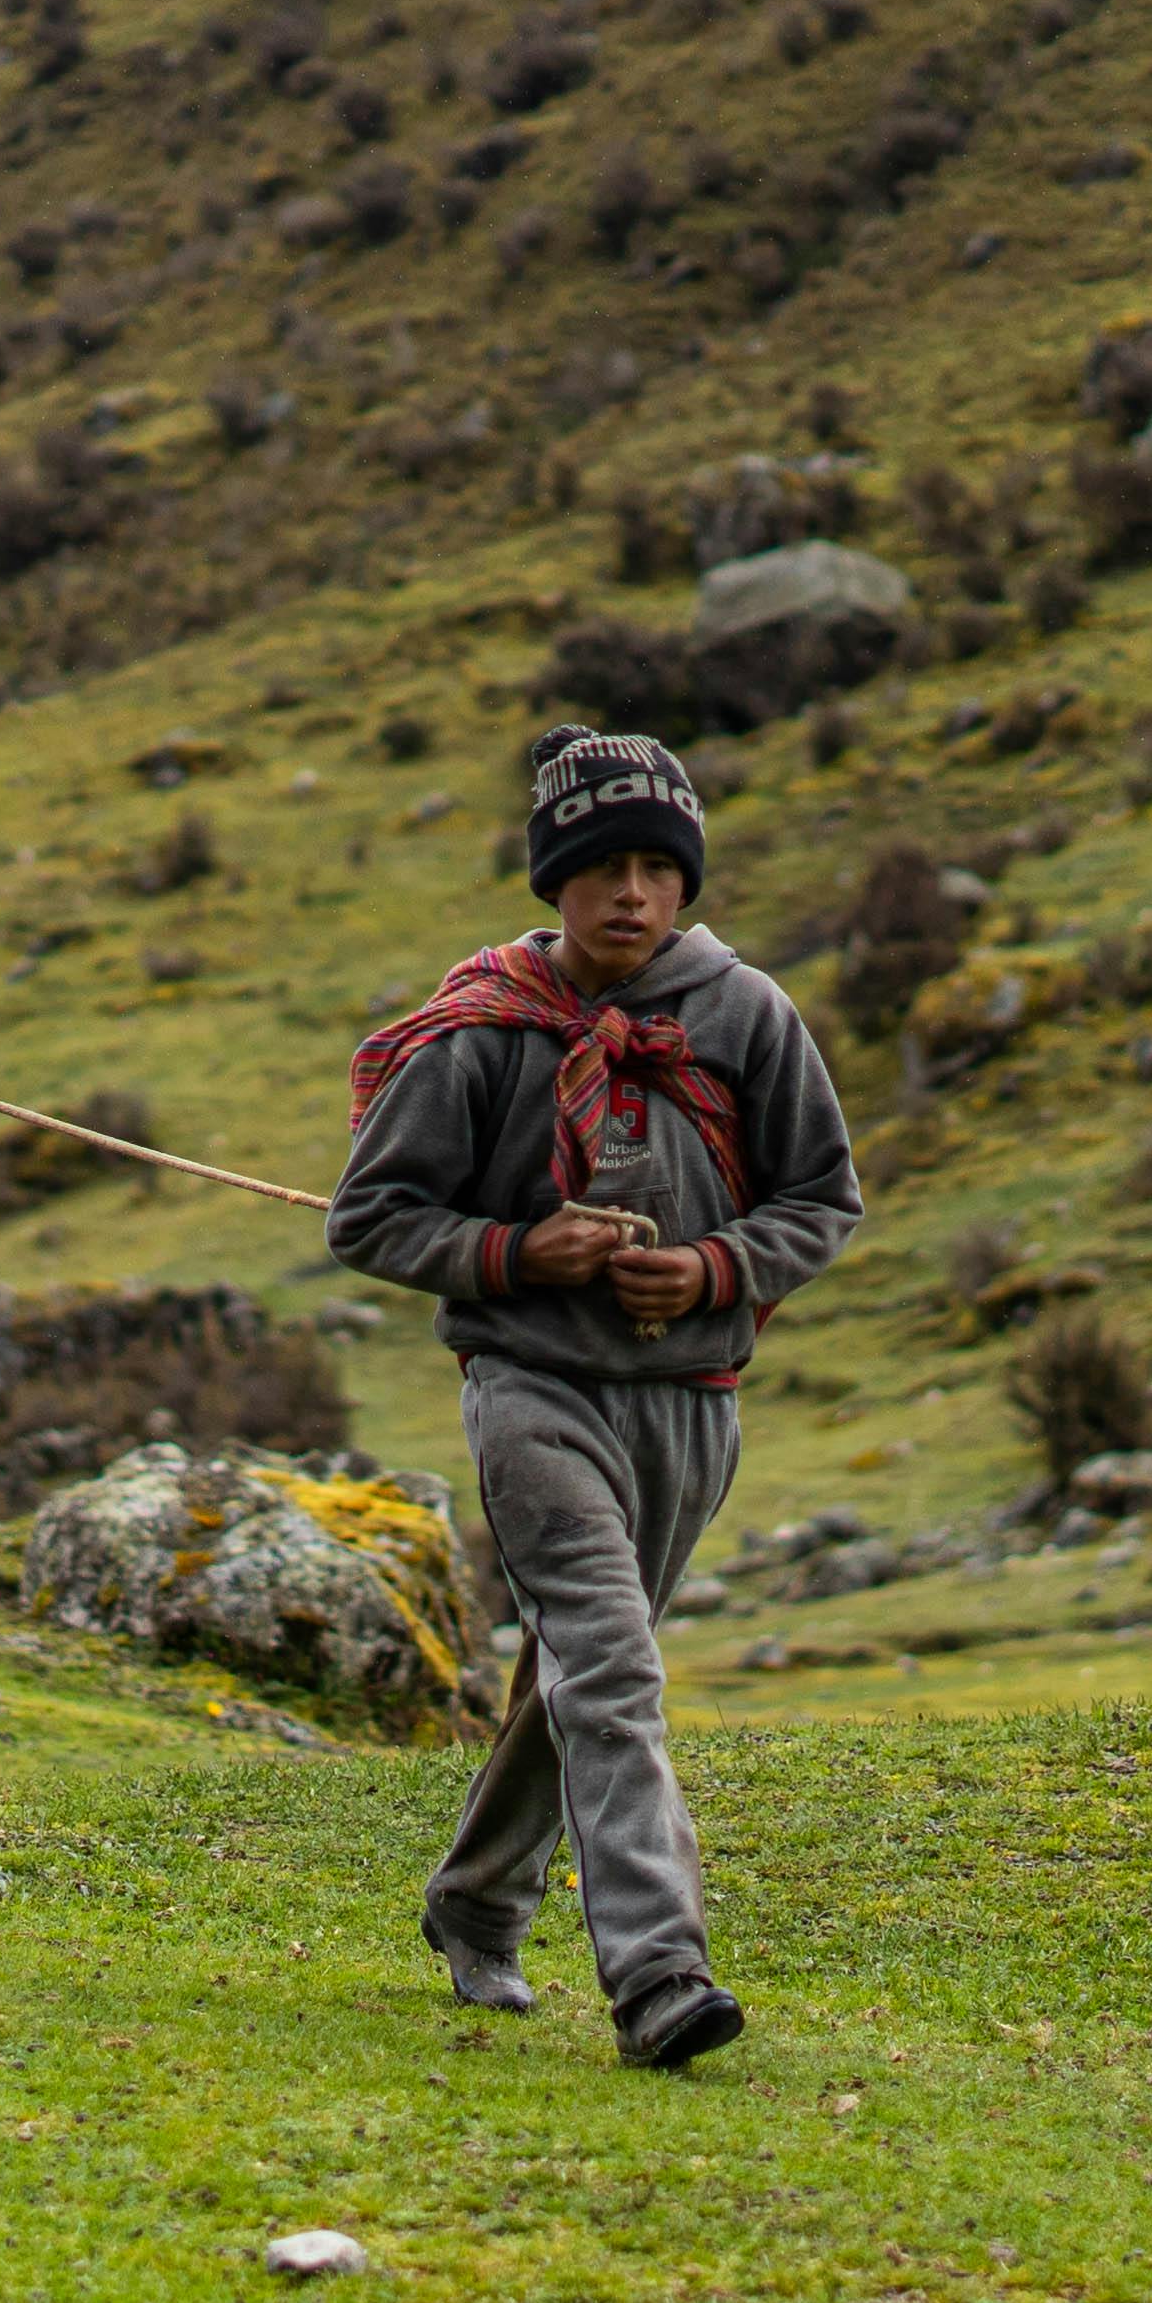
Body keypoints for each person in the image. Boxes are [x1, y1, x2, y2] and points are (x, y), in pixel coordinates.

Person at [328, 727, 863, 2069]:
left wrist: (712, 1268)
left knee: (577, 1676)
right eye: (600, 870)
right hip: (533, 1392)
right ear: (551, 885)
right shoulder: (482, 1034)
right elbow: (372, 1217)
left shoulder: (748, 1016)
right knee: (613, 1664)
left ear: (684, 883)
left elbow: (824, 1199)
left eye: (654, 869)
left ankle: (476, 1900)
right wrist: (517, 1253)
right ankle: (660, 1976)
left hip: (691, 1403)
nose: (630, 894)